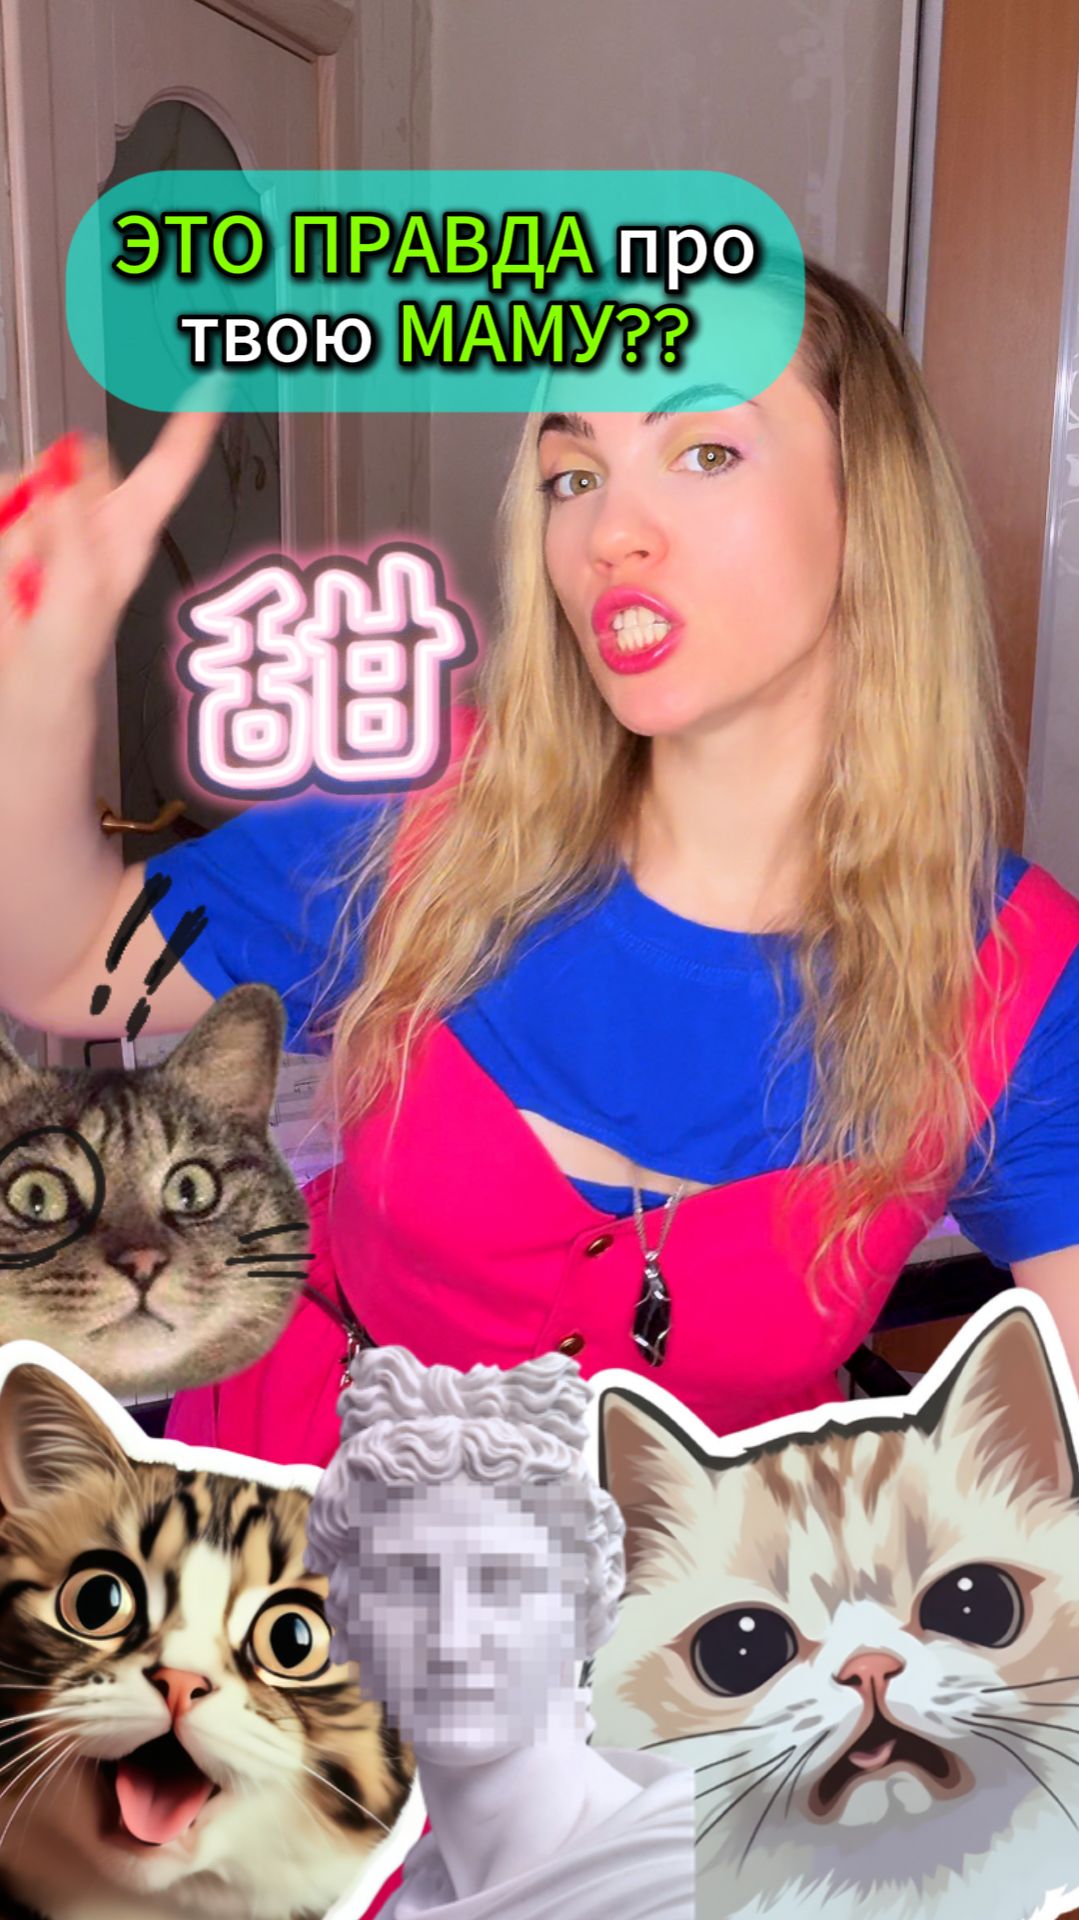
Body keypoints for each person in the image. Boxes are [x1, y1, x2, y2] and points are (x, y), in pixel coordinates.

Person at [0, 258, 1075, 1464]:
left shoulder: (1012, 976)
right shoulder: (423, 816)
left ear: (866, 504)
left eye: (703, 452)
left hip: (690, 1573)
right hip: (303, 1516)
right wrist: (32, 699)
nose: (608, 533)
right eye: (573, 475)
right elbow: (75, 969)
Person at [304, 1346, 695, 1920]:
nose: (454, 1638)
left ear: (589, 1600)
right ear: (344, 1623)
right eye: (407, 1583)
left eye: (503, 1582)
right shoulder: (420, 1898)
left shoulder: (683, 1890)